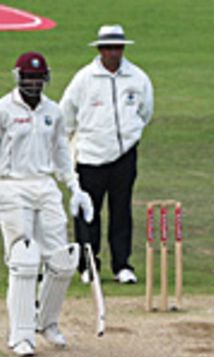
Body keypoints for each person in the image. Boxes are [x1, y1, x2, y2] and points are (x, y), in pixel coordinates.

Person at [0, 51, 93, 357]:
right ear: (18, 78)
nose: (34, 84)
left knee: (62, 259)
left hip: (46, 184)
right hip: (11, 186)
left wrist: (76, 188)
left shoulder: (54, 111)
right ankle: (21, 334)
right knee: (24, 260)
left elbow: (62, 151)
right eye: (29, 78)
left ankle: (47, 323)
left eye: (38, 78)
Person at [60, 24, 154, 285]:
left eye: (118, 47)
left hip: (124, 156)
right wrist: (68, 152)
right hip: (90, 157)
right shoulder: (84, 79)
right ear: (100, 50)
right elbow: (66, 117)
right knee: (88, 213)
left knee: (121, 210)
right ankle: (88, 265)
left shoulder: (137, 78)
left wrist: (128, 136)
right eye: (109, 48)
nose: (114, 53)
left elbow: (145, 113)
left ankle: (122, 265)